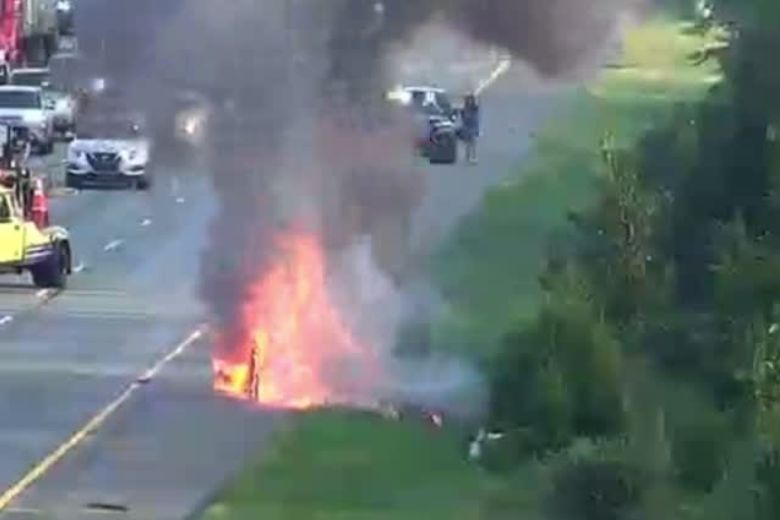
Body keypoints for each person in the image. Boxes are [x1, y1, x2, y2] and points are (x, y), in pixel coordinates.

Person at [460, 93, 480, 164]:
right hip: (467, 127)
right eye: (468, 100)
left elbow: (477, 105)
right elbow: (463, 118)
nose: (469, 101)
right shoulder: (464, 109)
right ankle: (467, 156)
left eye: (470, 100)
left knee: (473, 142)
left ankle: (474, 157)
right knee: (468, 143)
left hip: (473, 126)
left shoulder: (474, 108)